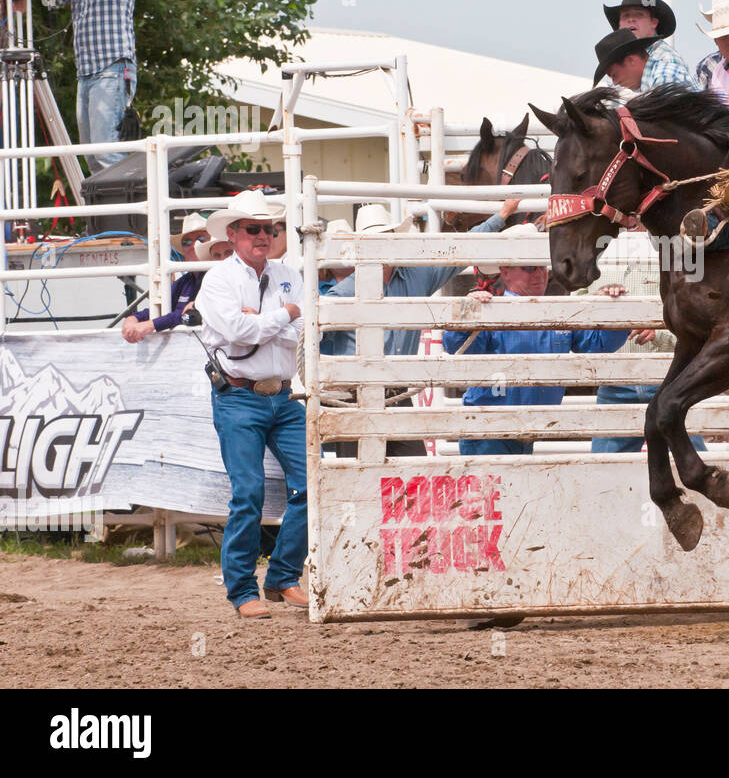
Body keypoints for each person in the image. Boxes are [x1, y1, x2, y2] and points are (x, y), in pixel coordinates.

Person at [321, 200, 519, 457]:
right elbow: (316, 335)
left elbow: (458, 252)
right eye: (375, 239)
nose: (381, 244)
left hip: (396, 394)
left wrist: (501, 215)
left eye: (386, 237)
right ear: (361, 246)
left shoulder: (412, 276)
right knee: (361, 479)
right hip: (358, 398)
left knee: (410, 476)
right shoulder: (345, 292)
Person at [193, 190, 306, 620]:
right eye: (255, 229)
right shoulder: (220, 279)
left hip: (281, 392)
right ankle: (243, 589)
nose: (264, 236)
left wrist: (261, 324)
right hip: (239, 395)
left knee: (309, 483)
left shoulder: (287, 274)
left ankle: (280, 576)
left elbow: (297, 328)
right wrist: (283, 315)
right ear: (235, 234)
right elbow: (241, 332)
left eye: (269, 230)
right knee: (249, 493)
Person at [443, 224, 628, 455]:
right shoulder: (489, 309)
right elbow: (456, 346)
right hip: (489, 430)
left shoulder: (557, 313)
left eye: (541, 267)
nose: (539, 274)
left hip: (521, 429)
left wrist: (615, 313)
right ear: (505, 271)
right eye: (529, 267)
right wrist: (467, 313)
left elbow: (597, 344)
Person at [576, 230, 706, 455]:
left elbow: (698, 317)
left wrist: (660, 332)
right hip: (616, 382)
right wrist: (596, 301)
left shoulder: (674, 249)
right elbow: (575, 310)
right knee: (604, 470)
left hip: (667, 378)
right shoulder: (598, 247)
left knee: (692, 460)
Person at [39, 0, 140, 174]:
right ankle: (111, 212)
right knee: (93, 158)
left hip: (112, 68)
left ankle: (125, 212)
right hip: (86, 75)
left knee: (108, 153)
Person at [122, 212, 209, 343]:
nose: (193, 245)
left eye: (201, 239)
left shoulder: (216, 277)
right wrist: (133, 319)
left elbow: (193, 315)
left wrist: (151, 325)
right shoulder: (185, 281)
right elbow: (162, 308)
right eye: (186, 241)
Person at [602, 0, 697, 89]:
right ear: (619, 26)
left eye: (639, 14)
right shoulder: (618, 66)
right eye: (626, 16)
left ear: (654, 23)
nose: (631, 19)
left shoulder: (667, 59)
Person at [592, 28, 657, 92]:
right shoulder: (651, 83)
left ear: (630, 60)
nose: (615, 83)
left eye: (614, 75)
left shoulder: (661, 78)